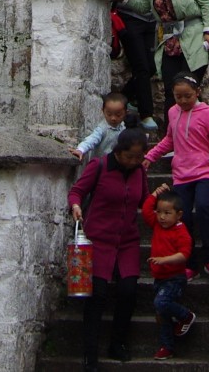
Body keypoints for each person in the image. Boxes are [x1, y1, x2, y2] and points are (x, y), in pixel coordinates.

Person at [68, 128, 149, 371]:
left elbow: (144, 200)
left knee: (128, 291)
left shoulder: (139, 172)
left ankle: (118, 343)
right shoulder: (99, 166)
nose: (135, 162)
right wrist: (75, 206)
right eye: (131, 157)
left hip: (127, 241)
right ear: (119, 152)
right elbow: (77, 191)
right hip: (99, 241)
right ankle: (89, 355)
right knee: (97, 296)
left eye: (139, 157)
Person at [145, 76, 209, 282]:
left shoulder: (208, 114)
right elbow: (169, 140)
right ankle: (189, 263)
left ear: (197, 92)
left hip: (204, 171)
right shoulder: (173, 112)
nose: (183, 101)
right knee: (182, 218)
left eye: (187, 96)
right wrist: (150, 157)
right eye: (178, 97)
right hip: (181, 174)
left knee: (204, 209)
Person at [106, 0, 160, 129]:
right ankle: (147, 114)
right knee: (141, 67)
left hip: (150, 21)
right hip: (130, 19)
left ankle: (125, 98)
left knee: (152, 66)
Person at [142, 186, 197, 359]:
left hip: (174, 278)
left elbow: (184, 255)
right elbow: (145, 210)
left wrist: (163, 260)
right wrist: (155, 193)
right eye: (159, 212)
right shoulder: (157, 225)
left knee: (161, 302)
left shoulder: (181, 231)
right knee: (162, 315)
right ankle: (167, 346)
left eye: (167, 213)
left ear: (178, 215)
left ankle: (185, 316)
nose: (162, 217)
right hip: (159, 278)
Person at [69, 90, 131, 161]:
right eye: (109, 114)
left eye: (118, 115)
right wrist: (81, 149)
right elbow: (91, 139)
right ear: (103, 111)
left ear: (126, 113)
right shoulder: (102, 129)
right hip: (100, 164)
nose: (113, 118)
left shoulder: (123, 127)